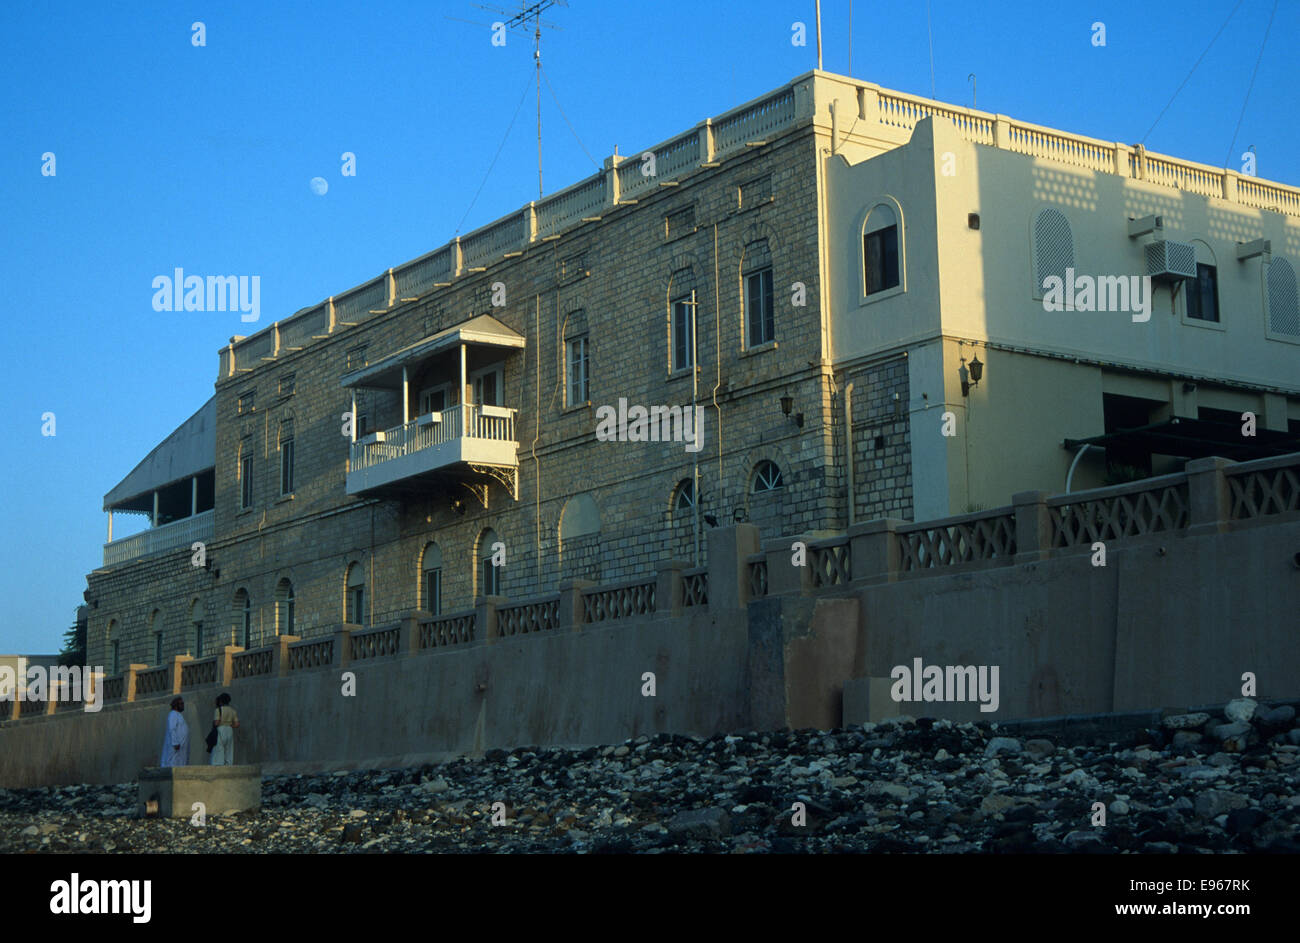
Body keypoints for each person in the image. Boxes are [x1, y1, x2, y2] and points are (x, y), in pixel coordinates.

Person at [210, 692, 239, 766]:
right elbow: (237, 724)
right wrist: (229, 724)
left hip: (220, 729)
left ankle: (218, 766)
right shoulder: (233, 711)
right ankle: (228, 766)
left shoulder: (218, 710)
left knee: (218, 750)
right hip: (229, 730)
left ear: (221, 701)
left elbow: (216, 723)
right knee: (229, 750)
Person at [160, 697, 189, 767]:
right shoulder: (173, 714)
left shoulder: (178, 715)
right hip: (175, 747)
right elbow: (172, 728)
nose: (183, 705)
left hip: (180, 747)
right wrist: (175, 742)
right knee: (172, 762)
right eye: (181, 704)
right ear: (176, 705)